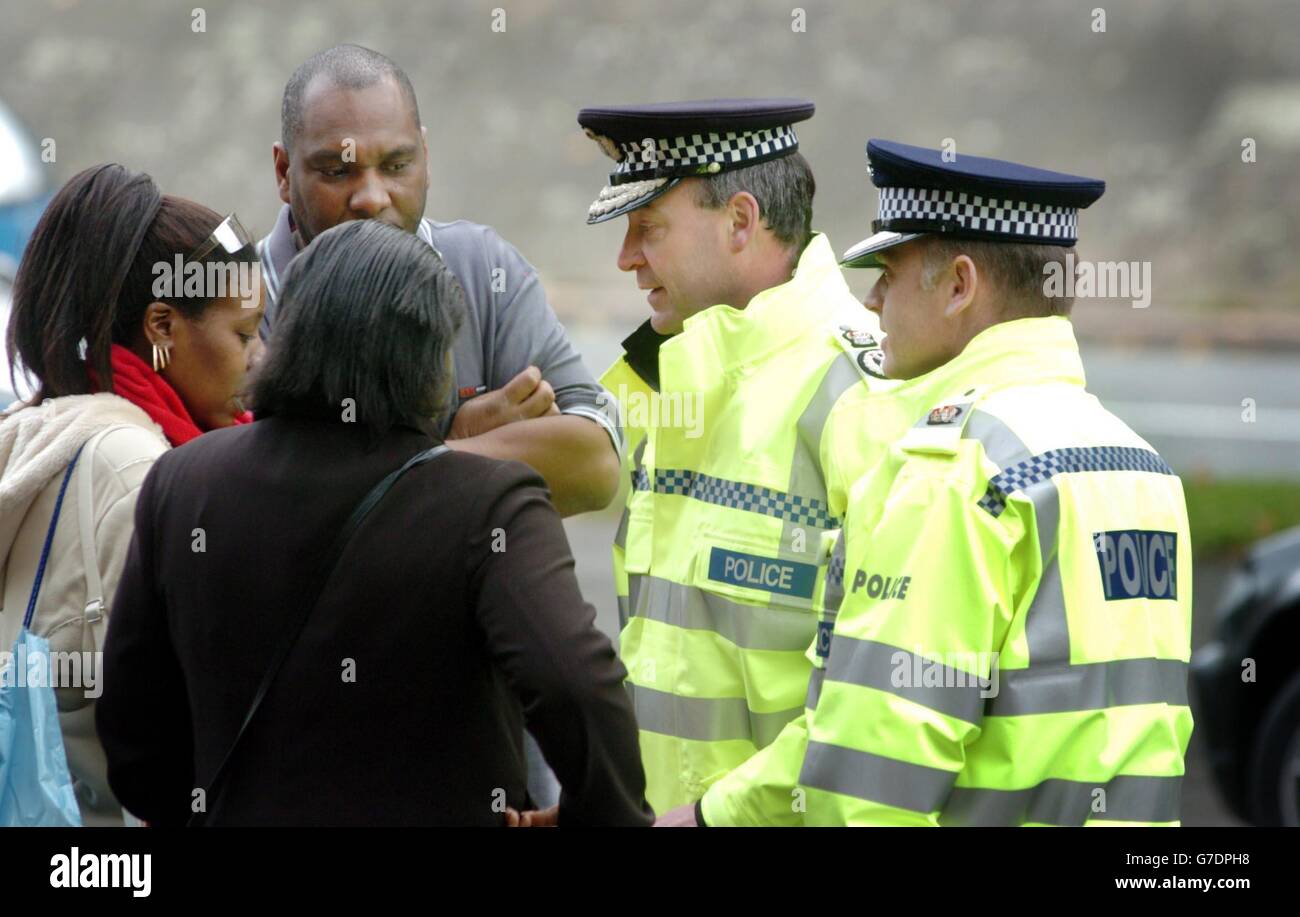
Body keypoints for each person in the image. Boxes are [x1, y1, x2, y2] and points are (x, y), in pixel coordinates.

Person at [95, 219, 653, 827]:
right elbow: (576, 685)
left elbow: (132, 731)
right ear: (429, 361)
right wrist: (600, 815)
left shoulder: (181, 484)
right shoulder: (489, 504)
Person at [717, 140, 1194, 826]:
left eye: (889, 271)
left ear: (960, 285)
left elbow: (871, 783)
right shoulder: (1143, 468)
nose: (873, 299)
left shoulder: (952, 470)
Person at [576, 99, 899, 821]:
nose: (627, 257)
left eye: (647, 226)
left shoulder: (861, 397)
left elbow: (881, 710)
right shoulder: (677, 375)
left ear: (742, 222)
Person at [0, 163, 262, 825]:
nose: (261, 357)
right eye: (244, 333)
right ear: (163, 327)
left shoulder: (39, 429)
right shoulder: (139, 471)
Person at [258, 44, 619, 519]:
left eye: (396, 165)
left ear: (425, 157)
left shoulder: (484, 270)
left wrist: (421, 457)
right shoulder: (239, 303)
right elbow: (253, 502)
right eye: (337, 171)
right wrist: (456, 439)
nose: (371, 197)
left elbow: (592, 465)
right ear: (285, 172)